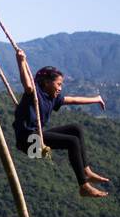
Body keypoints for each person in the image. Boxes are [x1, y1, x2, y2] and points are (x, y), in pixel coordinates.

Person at [13, 47, 111, 198]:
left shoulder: (52, 97)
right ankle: (83, 186)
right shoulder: (34, 93)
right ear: (46, 83)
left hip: (37, 138)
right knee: (71, 141)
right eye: (58, 84)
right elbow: (27, 83)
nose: (60, 88)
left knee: (76, 129)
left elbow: (73, 100)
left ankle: (86, 170)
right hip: (29, 143)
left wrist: (96, 99)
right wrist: (21, 61)